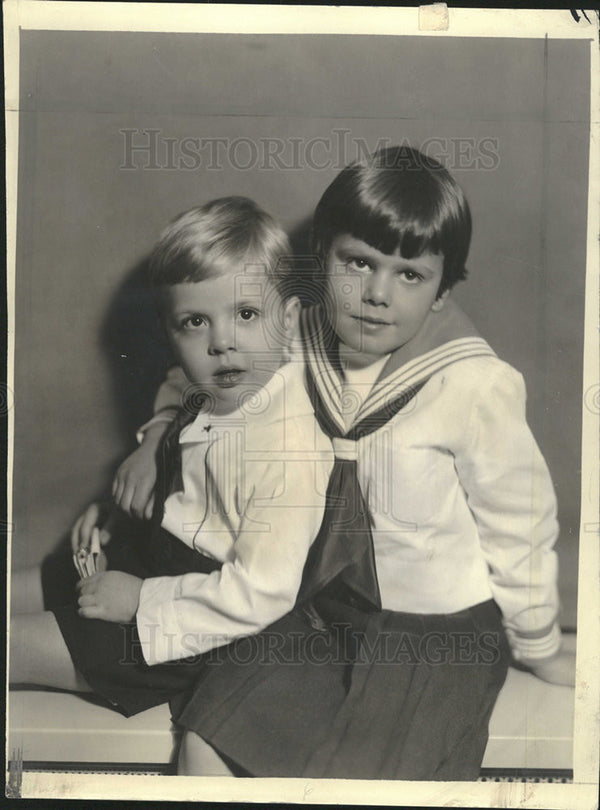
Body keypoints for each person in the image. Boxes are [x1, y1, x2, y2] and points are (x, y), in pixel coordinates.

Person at [74, 146, 575, 780]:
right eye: (357, 263)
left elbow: (520, 525)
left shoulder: (474, 385)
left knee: (368, 771)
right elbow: (194, 376)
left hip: (425, 633)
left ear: (444, 287)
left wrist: (539, 643)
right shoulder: (296, 331)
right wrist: (154, 438)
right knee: (208, 738)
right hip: (309, 608)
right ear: (323, 258)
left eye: (409, 275)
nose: (376, 294)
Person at [9, 197, 335, 760]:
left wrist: (141, 600)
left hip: (196, 619)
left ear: (288, 318)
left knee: (12, 646)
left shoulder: (289, 448)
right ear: (171, 330)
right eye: (195, 322)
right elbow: (177, 387)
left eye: (246, 315)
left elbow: (261, 593)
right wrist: (146, 455)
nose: (221, 342)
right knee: (21, 585)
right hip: (152, 550)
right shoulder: (228, 376)